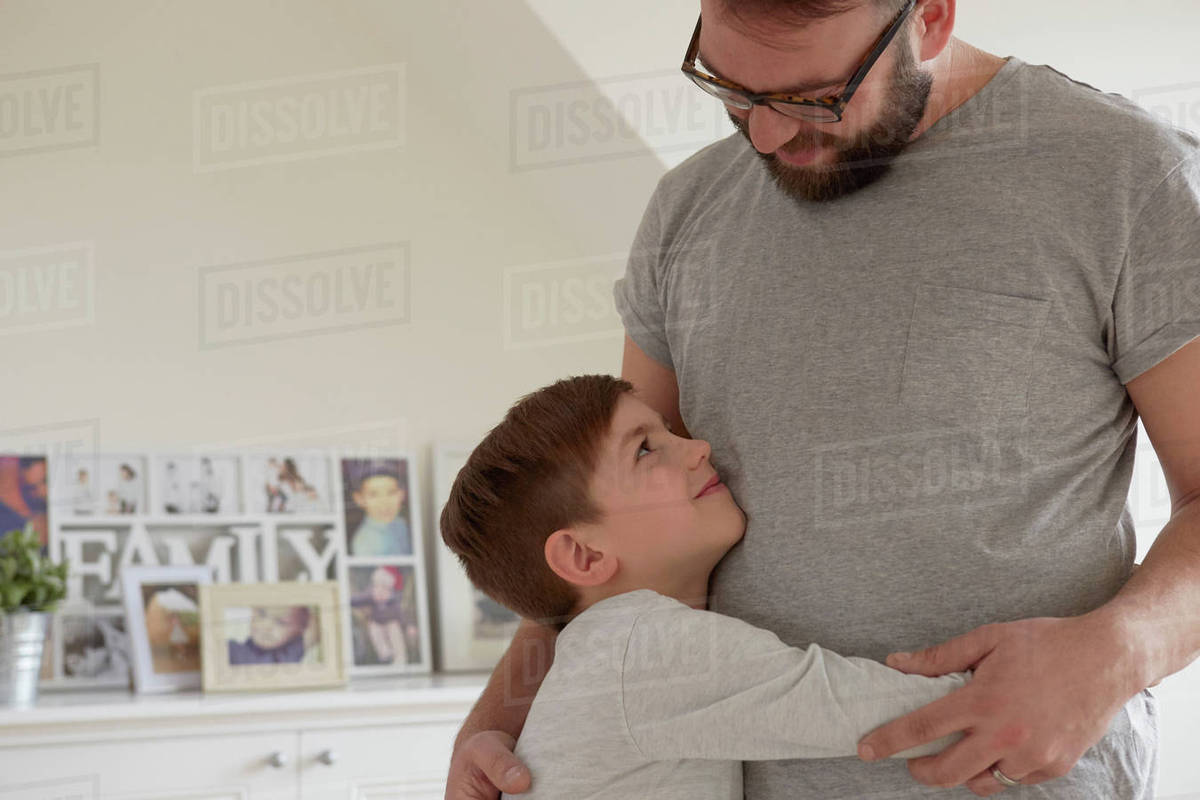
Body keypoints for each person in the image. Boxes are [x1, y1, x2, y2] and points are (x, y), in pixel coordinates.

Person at [446, 0, 1200, 797]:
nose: (765, 137)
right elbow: (606, 540)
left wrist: (1116, 653)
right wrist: (496, 721)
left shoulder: (1125, 177)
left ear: (931, 19)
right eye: (730, 87)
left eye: (811, 98)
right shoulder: (686, 211)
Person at [441, 375, 974, 798]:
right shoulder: (648, 648)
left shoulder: (607, 654)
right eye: (647, 451)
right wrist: (1012, 694)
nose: (698, 447)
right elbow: (854, 708)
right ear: (584, 555)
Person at [350, 565, 418, 664]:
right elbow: (357, 600)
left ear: (391, 592)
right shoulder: (370, 598)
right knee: (373, 628)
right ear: (372, 588)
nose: (380, 592)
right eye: (377, 588)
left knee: (395, 630)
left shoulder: (393, 603)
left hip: (391, 623)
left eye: (385, 589)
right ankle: (385, 653)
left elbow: (401, 616)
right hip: (377, 622)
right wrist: (352, 600)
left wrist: (408, 626)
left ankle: (400, 657)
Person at [347, 466, 412, 556]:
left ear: (402, 494)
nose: (384, 502)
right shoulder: (364, 541)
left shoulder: (403, 525)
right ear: (359, 499)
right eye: (373, 494)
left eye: (391, 492)